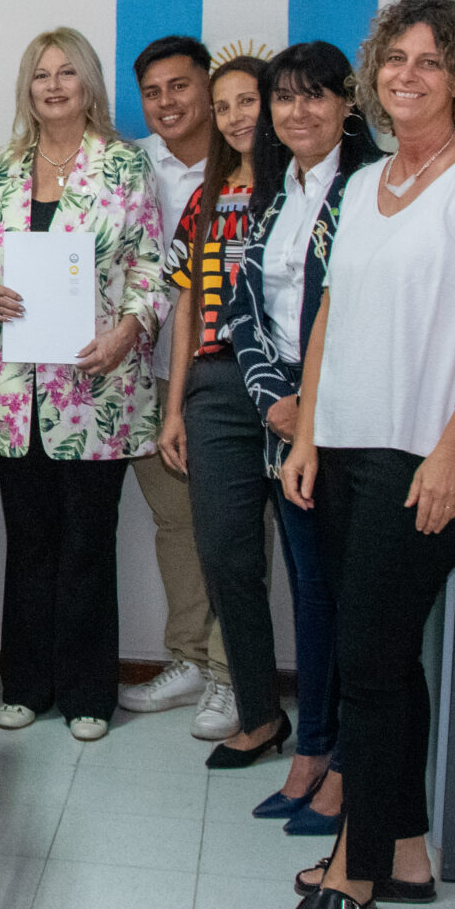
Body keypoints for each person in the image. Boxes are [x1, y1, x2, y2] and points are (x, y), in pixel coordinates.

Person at [278, 0, 455, 909]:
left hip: (430, 457)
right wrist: (305, 436)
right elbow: (332, 317)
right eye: (395, 59)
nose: (408, 75)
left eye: (431, 61)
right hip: (345, 449)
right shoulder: (363, 183)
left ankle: (357, 872)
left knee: (370, 669)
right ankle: (409, 849)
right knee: (379, 660)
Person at [0, 28, 164, 741]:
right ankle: (26, 684)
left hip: (99, 388)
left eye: (67, 74)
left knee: (88, 544)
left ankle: (88, 694)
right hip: (16, 393)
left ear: (88, 85)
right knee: (27, 543)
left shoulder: (124, 166)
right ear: (27, 89)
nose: (53, 86)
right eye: (40, 75)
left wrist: (129, 330)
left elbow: (151, 265)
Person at [220, 41, 382, 832]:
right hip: (284, 424)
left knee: (356, 605)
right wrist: (274, 399)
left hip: (350, 430)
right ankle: (313, 748)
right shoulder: (275, 190)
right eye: (283, 98)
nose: (297, 112)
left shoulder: (372, 188)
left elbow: (363, 316)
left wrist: (309, 409)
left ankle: (352, 765)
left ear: (348, 103)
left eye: (316, 96)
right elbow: (240, 308)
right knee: (312, 598)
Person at [155, 56, 295, 769]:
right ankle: (260, 710)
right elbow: (182, 306)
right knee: (225, 555)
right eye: (227, 104)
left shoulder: (298, 191)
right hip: (214, 389)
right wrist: (174, 406)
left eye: (251, 100)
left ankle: (321, 735)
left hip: (295, 392)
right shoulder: (205, 198)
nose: (240, 115)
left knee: (308, 564)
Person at [119, 35, 233, 738]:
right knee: (176, 527)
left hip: (224, 380)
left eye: (180, 87)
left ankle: (230, 671)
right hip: (148, 377)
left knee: (233, 529)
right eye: (153, 91)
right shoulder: (130, 163)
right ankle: (189, 657)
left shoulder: (248, 163)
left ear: (208, 89)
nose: (166, 102)